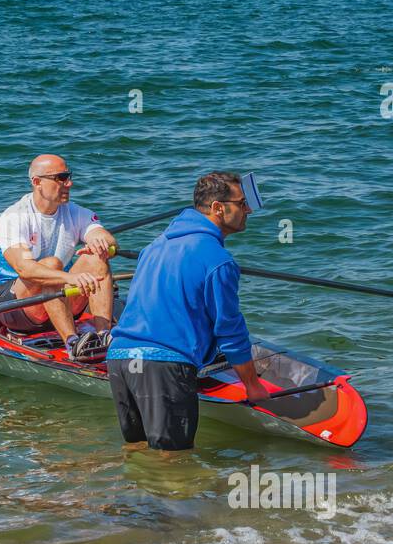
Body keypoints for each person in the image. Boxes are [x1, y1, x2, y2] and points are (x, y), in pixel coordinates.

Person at [106, 171, 271, 451]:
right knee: (174, 462)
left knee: (138, 450)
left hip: (120, 358)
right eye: (242, 203)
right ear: (218, 208)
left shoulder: (155, 246)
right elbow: (229, 330)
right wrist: (252, 384)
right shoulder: (218, 260)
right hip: (163, 364)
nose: (248, 210)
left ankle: (128, 496)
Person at [0, 154, 116, 361]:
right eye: (61, 177)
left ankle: (104, 336)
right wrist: (69, 278)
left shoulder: (76, 212)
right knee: (52, 265)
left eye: (68, 176)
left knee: (96, 259)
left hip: (58, 297)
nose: (69, 183)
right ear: (37, 182)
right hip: (15, 307)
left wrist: (102, 244)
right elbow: (25, 268)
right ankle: (72, 343)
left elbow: (106, 237)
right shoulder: (14, 217)